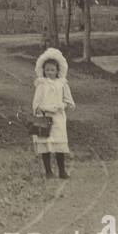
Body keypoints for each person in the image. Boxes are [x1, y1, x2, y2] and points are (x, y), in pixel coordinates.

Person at [32, 47, 75, 179]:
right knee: (45, 144)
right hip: (44, 117)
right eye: (47, 70)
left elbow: (69, 101)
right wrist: (39, 109)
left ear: (58, 71)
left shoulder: (62, 84)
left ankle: (62, 170)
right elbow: (36, 102)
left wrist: (62, 106)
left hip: (58, 118)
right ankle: (48, 171)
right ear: (43, 71)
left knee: (59, 144)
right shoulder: (41, 84)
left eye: (52, 70)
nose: (50, 72)